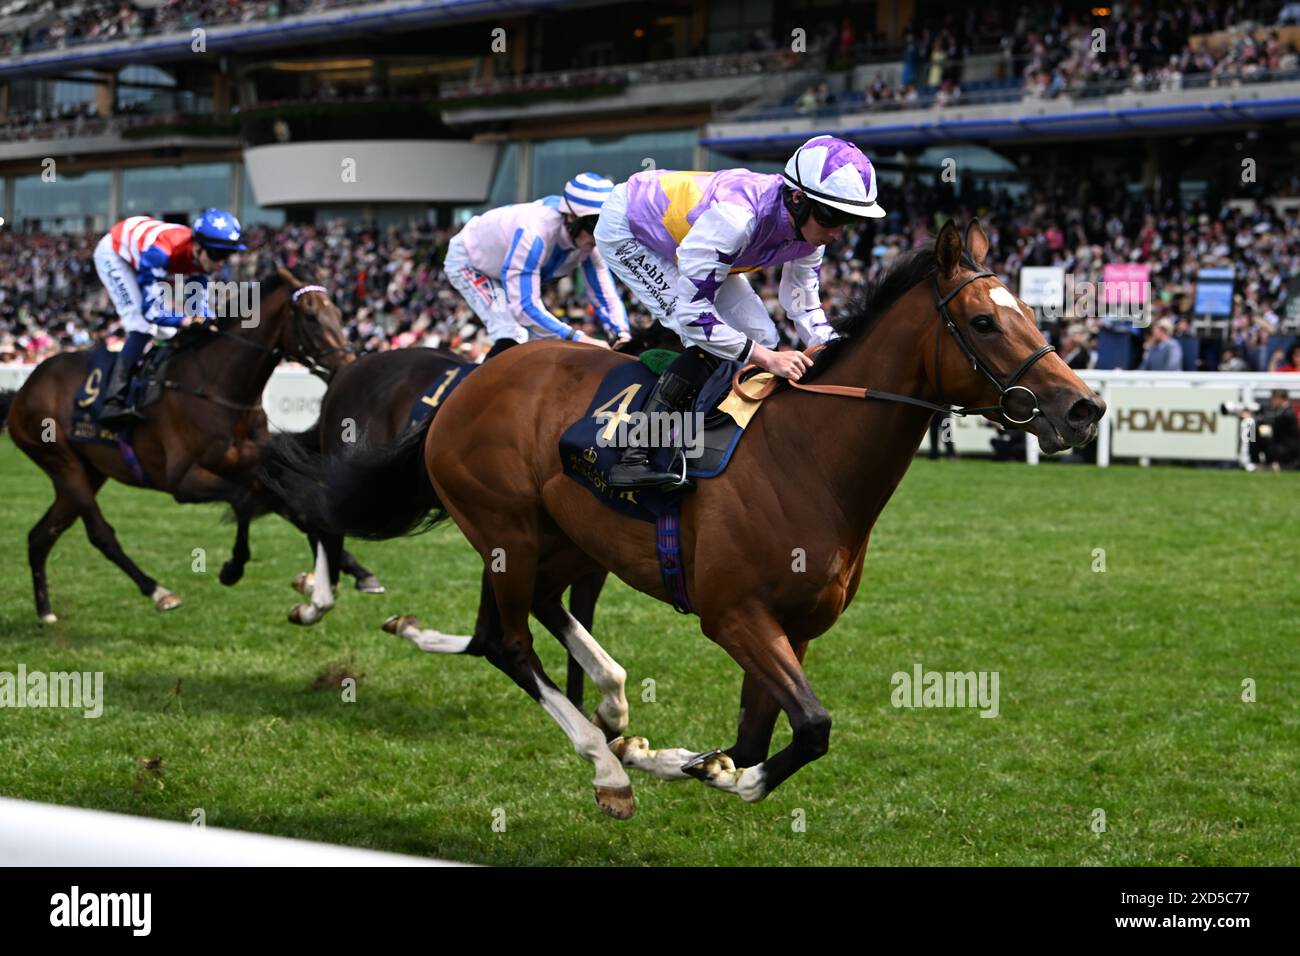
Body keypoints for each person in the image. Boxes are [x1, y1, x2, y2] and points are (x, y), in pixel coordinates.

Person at [596, 134, 885, 489]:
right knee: (701, 338)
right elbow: (695, 317)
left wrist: (841, 353)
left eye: (849, 221)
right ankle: (635, 455)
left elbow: (804, 306)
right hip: (631, 229)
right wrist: (769, 359)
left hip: (694, 243)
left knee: (763, 335)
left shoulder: (810, 232)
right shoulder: (737, 218)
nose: (839, 232)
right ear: (797, 199)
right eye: (834, 217)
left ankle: (719, 435)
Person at [443, 172, 628, 360]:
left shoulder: (587, 239)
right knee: (512, 333)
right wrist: (578, 338)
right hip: (470, 261)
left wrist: (621, 332)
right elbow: (525, 306)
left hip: (505, 266)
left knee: (534, 338)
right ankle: (475, 387)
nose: (600, 235)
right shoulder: (535, 233)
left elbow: (604, 295)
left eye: (606, 225)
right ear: (571, 217)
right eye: (594, 225)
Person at [94, 208, 245, 426]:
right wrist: (185, 320)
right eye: (217, 255)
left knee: (170, 330)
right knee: (142, 326)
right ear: (198, 247)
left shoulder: (199, 259)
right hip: (115, 254)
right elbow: (151, 311)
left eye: (227, 255)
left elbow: (199, 309)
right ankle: (112, 402)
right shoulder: (160, 253)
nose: (221, 262)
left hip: (141, 245)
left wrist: (207, 323)